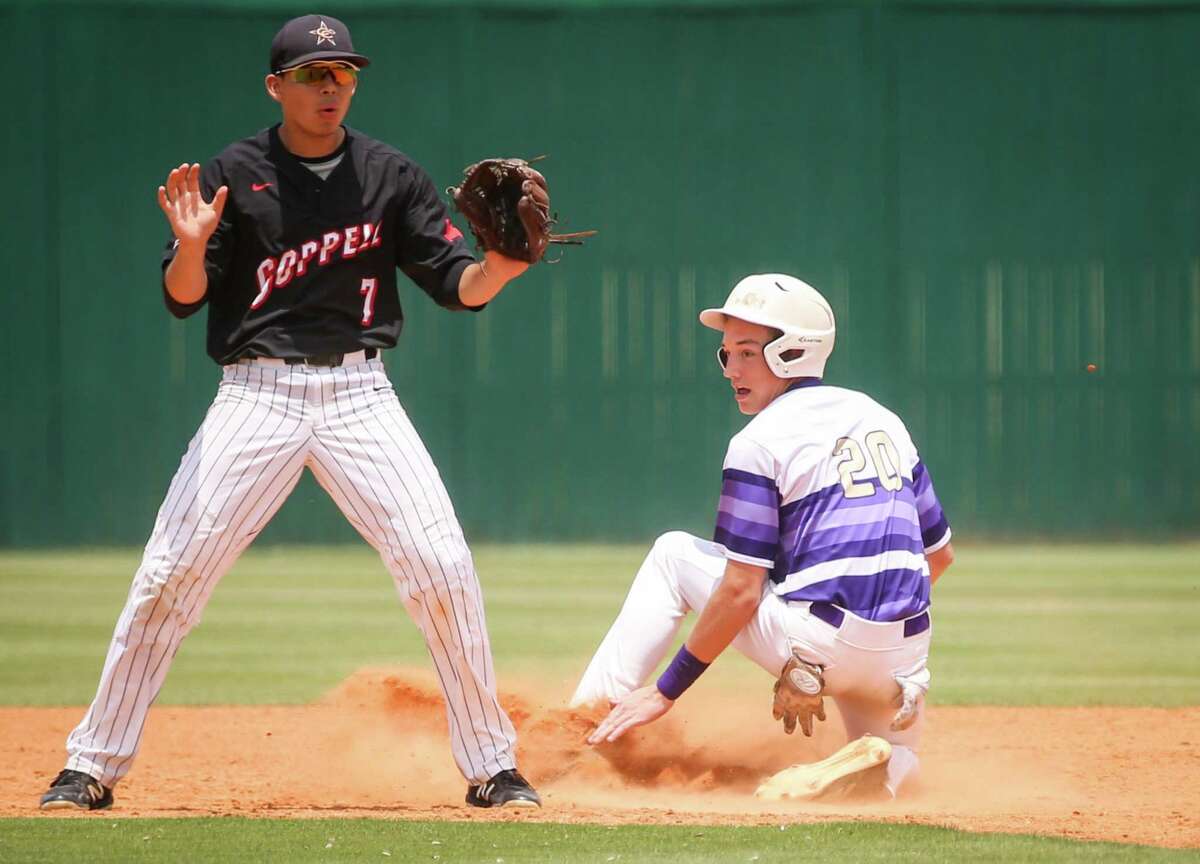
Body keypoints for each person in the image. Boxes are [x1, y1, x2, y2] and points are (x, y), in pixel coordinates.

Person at [39, 13, 542, 812]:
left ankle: (493, 766)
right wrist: (193, 247)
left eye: (342, 72)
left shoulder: (390, 174)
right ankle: (91, 765)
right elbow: (183, 300)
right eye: (313, 74)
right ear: (277, 86)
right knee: (170, 576)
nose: (331, 85)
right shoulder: (233, 172)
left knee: (441, 565)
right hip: (255, 394)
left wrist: (505, 267)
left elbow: (459, 286)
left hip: (360, 394)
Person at [572, 273, 954, 800]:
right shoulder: (883, 419)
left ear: (794, 353)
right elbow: (940, 555)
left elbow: (739, 591)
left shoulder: (759, 440)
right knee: (894, 763)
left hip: (815, 645)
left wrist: (663, 693)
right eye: (725, 354)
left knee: (671, 555)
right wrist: (878, 636)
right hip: (903, 659)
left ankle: (581, 726)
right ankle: (888, 765)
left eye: (748, 352)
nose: (732, 369)